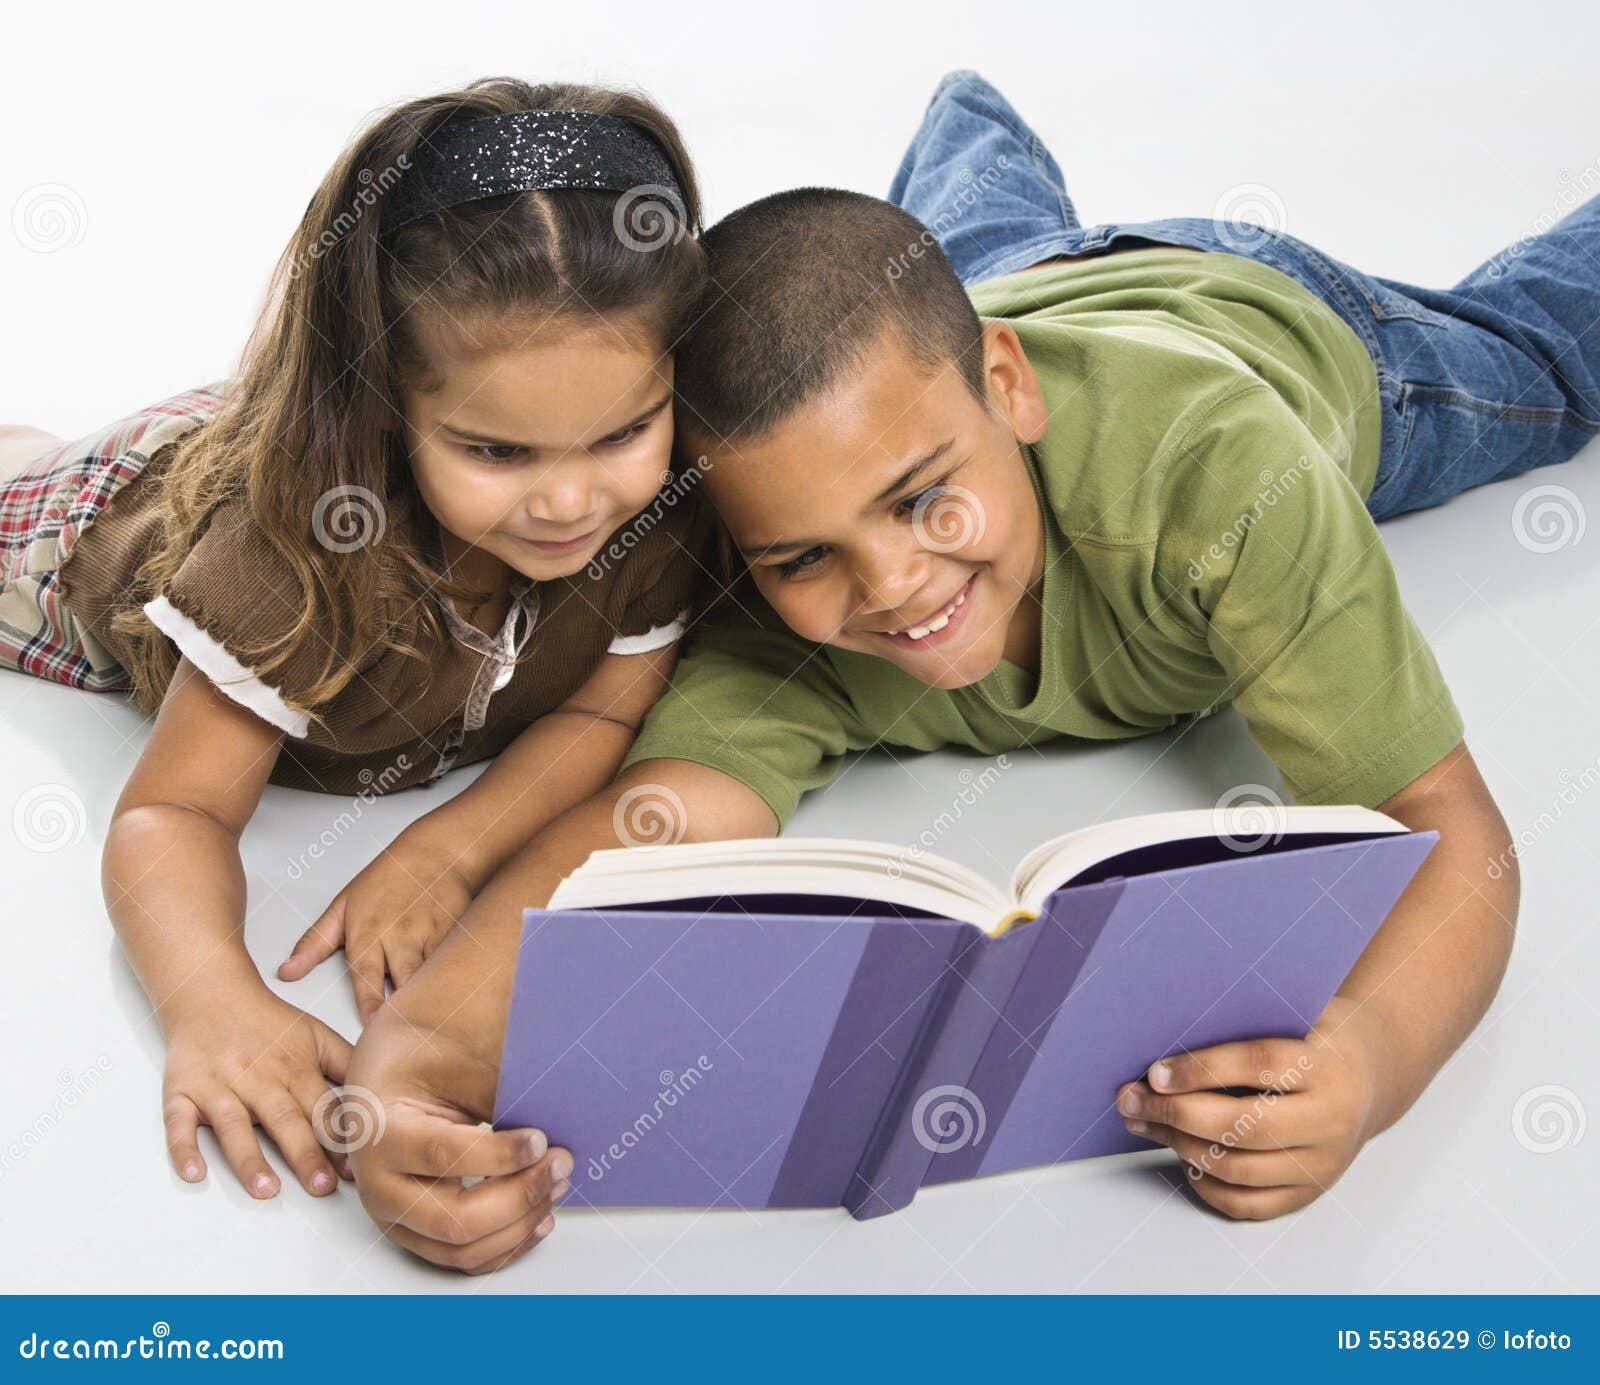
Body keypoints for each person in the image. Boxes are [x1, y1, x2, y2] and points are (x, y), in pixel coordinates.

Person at [351, 66, 1597, 1269]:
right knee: (967, 250)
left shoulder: (1225, 480)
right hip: (1006, 294)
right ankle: (970, 123)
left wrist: (1370, 1060)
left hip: (1273, 321)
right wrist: (413, 1056)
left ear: (1008, 392)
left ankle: (981, 151)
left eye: (921, 502)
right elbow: (640, 835)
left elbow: (1451, 831)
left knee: (1550, 349)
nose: (891, 586)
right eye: (799, 554)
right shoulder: (781, 600)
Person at [0, 78, 713, 1210]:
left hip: (247, 431)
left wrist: (445, 849)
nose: (574, 499)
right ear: (385, 403)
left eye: (623, 430)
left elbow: (601, 712)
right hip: (89, 534)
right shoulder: (295, 560)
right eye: (497, 451)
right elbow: (169, 813)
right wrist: (211, 1000)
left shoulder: (663, 502)